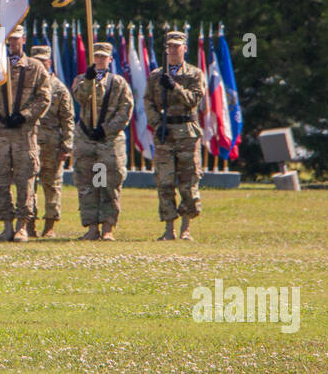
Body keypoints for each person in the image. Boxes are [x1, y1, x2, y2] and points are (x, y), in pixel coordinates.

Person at [0, 25, 51, 242]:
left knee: (25, 178)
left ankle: (22, 225)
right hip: (1, 129)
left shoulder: (35, 67)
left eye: (16, 39)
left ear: (24, 39)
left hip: (23, 131)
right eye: (9, 40)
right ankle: (7, 224)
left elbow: (44, 98)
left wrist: (25, 115)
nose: (12, 43)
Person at [144, 30, 207, 241]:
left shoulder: (194, 74)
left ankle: (186, 228)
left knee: (188, 182)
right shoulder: (156, 75)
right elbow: (148, 102)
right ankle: (169, 228)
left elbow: (194, 100)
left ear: (184, 49)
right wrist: (155, 123)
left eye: (176, 46)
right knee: (165, 181)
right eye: (169, 47)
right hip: (165, 133)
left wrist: (175, 87)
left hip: (187, 133)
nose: (172, 50)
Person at [72, 41, 135, 240]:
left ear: (110, 59)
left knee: (108, 183)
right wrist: (89, 81)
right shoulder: (82, 79)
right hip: (86, 141)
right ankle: (91, 227)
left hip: (109, 142)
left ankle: (108, 226)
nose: (100, 60)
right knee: (88, 184)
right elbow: (80, 97)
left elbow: (125, 111)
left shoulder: (118, 83)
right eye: (96, 56)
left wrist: (106, 130)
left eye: (103, 57)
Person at [29, 45, 73, 238]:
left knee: (52, 184)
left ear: (49, 62)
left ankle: (50, 225)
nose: (40, 64)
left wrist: (67, 145)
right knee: (28, 184)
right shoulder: (27, 85)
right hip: (30, 140)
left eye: (43, 61)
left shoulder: (59, 88)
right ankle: (28, 223)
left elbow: (68, 119)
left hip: (52, 144)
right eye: (36, 61)